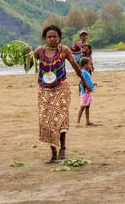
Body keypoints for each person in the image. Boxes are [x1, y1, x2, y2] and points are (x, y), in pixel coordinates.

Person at [34, 25, 87, 163]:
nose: (52, 39)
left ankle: (62, 147)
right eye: (49, 37)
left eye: (55, 36)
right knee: (47, 122)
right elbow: (28, 65)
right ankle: (53, 152)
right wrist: (27, 54)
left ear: (59, 37)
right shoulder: (39, 51)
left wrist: (84, 82)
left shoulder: (64, 50)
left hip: (61, 88)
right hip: (44, 90)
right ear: (45, 38)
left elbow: (75, 66)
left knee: (60, 118)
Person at [76, 55, 96, 126]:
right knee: (82, 107)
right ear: (85, 65)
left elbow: (87, 80)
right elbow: (81, 81)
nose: (90, 65)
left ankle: (87, 121)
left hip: (89, 92)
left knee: (87, 106)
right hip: (85, 93)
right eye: (89, 64)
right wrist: (86, 88)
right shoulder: (83, 72)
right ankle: (78, 121)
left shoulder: (86, 72)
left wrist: (93, 84)